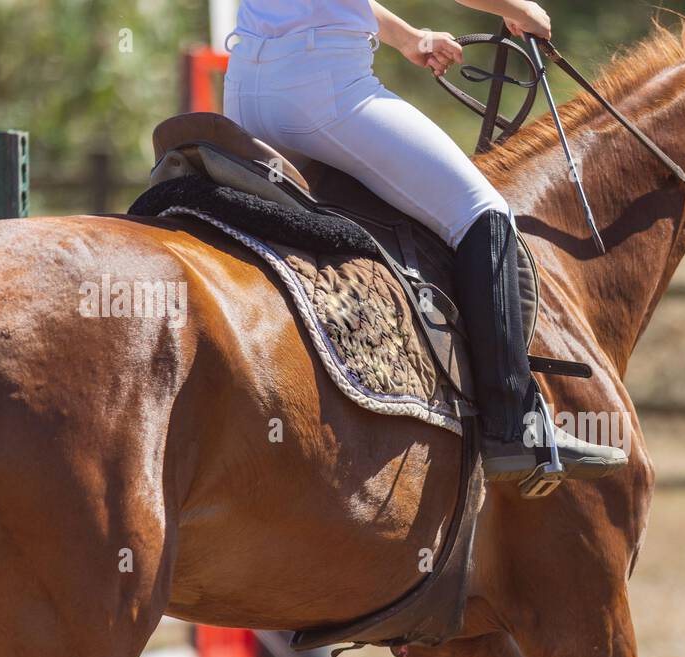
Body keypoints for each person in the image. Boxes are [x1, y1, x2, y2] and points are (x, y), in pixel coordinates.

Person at [222, 1, 626, 483]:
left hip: (244, 90)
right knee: (484, 212)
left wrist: (408, 37)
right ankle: (512, 426)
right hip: (322, 91)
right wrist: (519, 8)